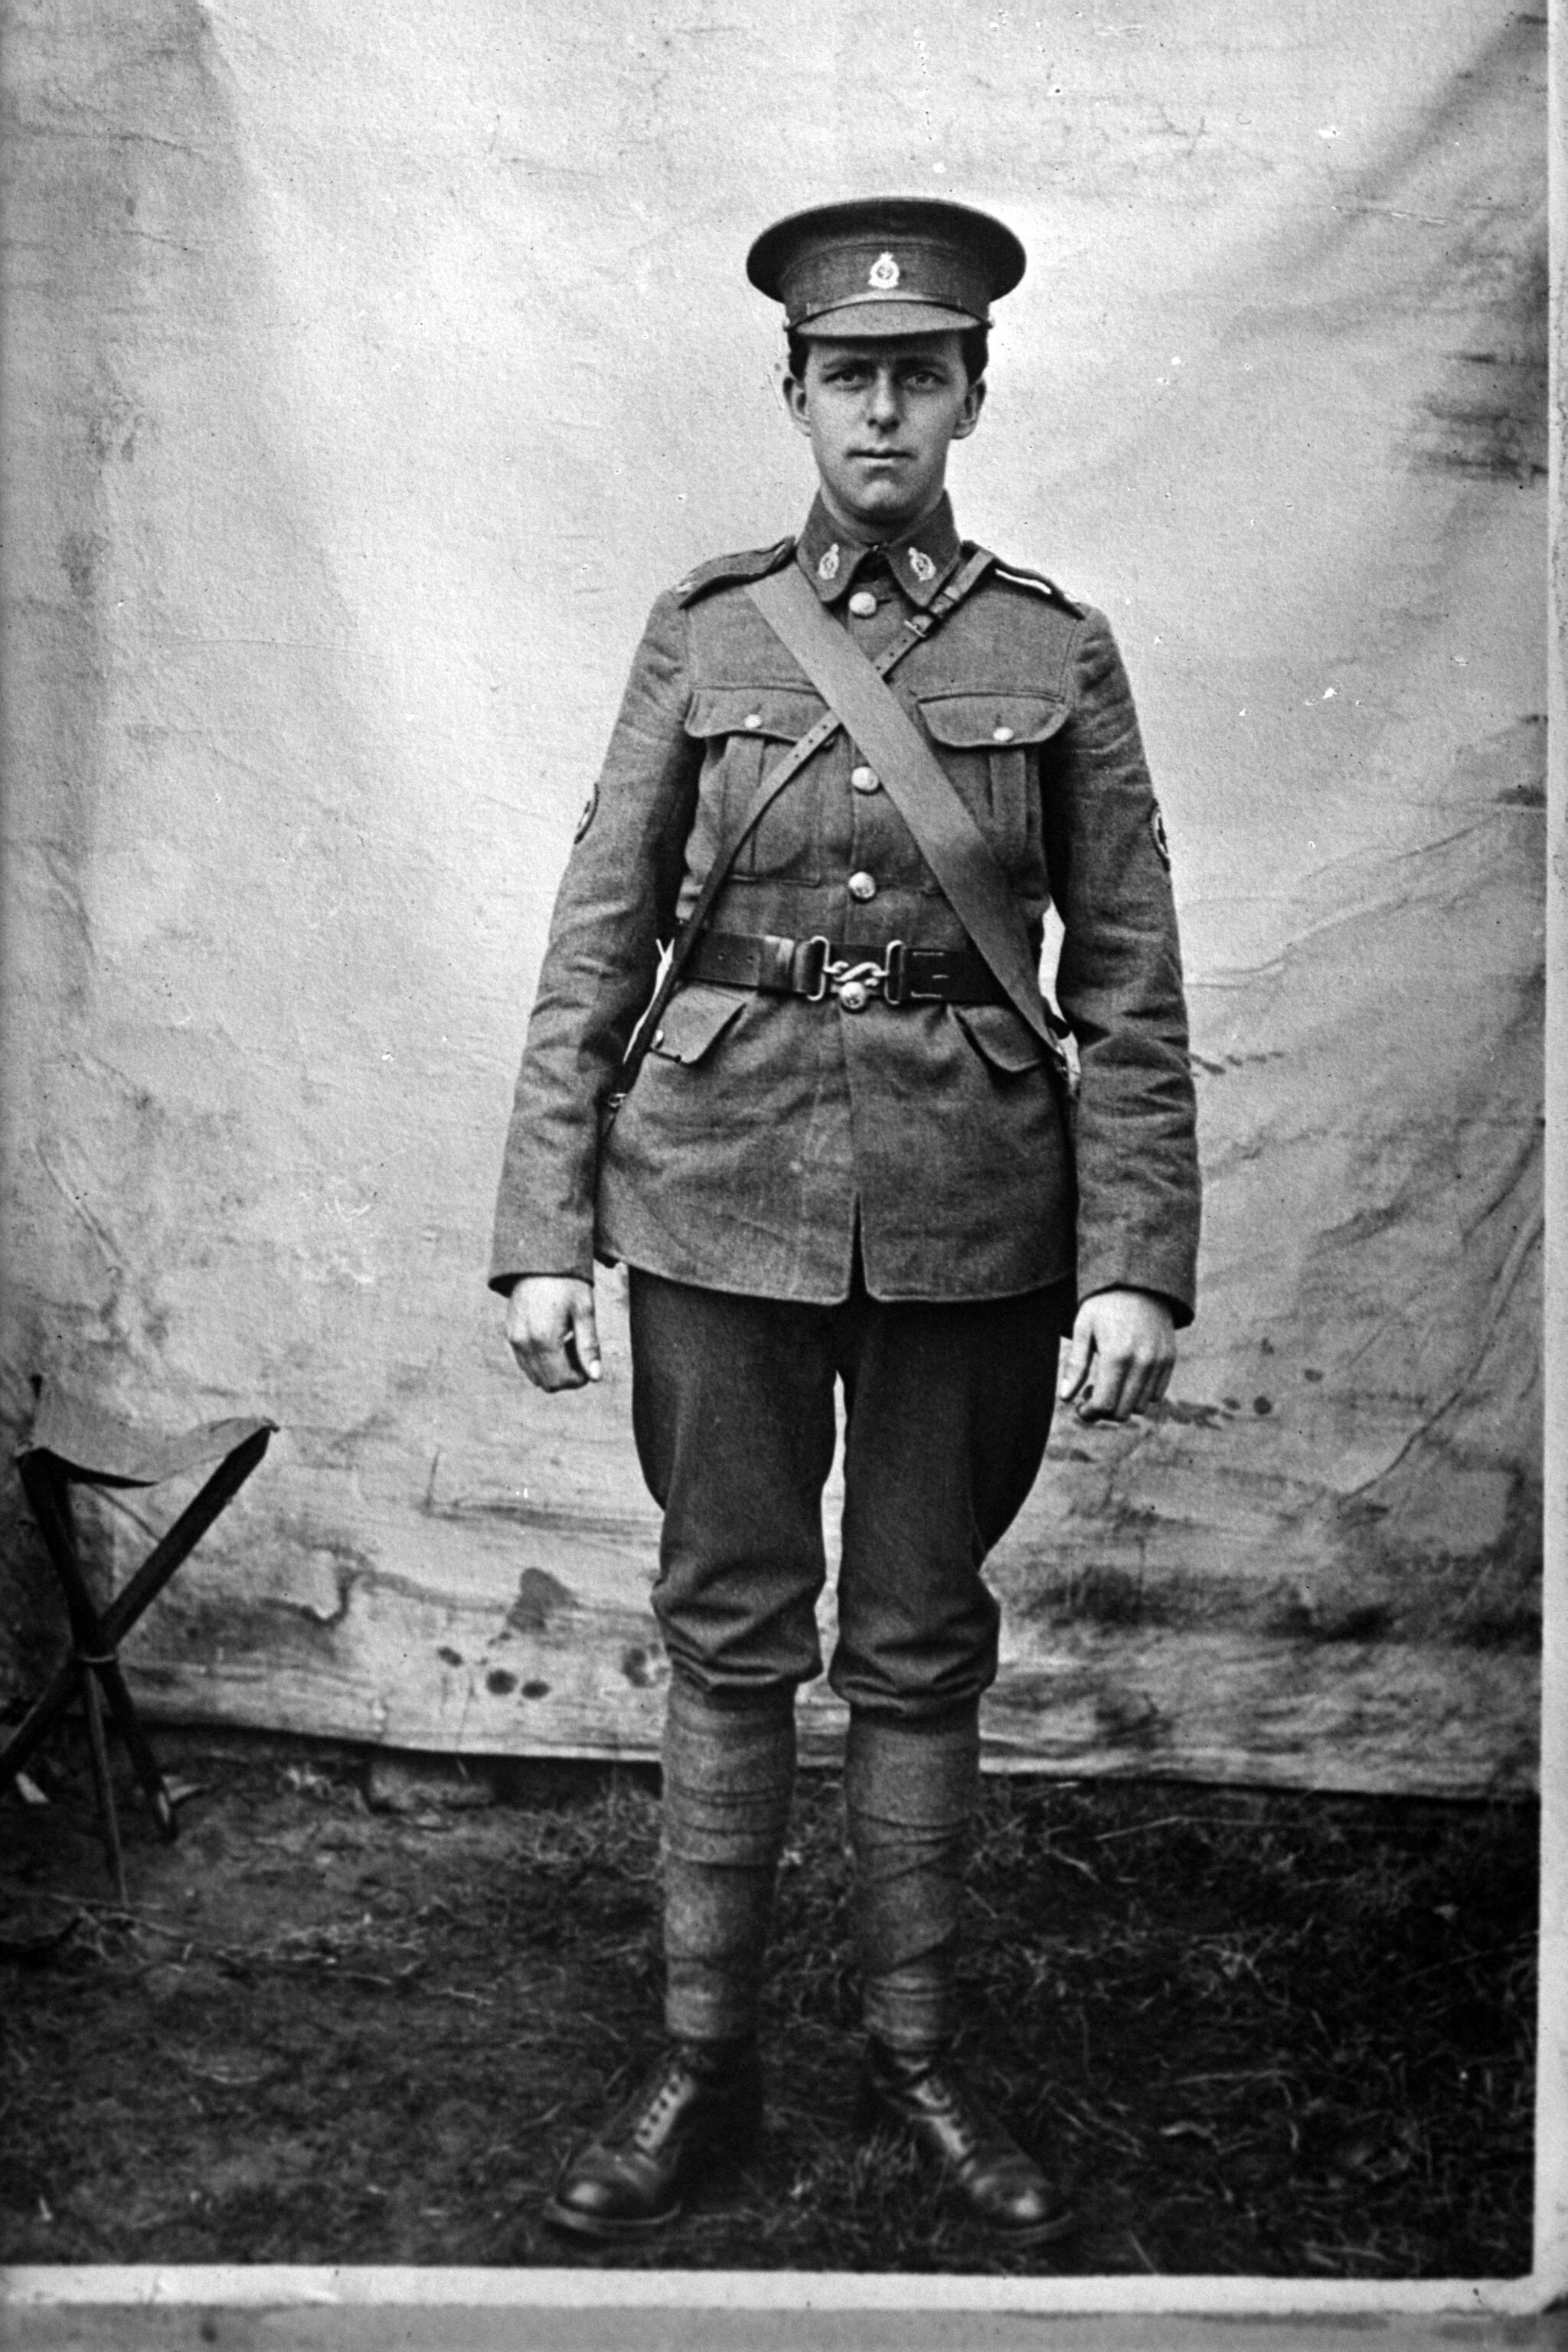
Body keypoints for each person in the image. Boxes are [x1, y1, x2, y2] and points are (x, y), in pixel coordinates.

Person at [490, 197, 1200, 2245]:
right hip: (713, 1195)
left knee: (916, 1643)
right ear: (793, 395)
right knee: (725, 1624)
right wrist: (547, 1219)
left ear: (975, 392)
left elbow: (1134, 977)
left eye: (919, 372)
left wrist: (1140, 1255)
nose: (881, 407)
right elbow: (594, 941)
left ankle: (923, 2057)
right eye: (845, 374)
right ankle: (700, 2063)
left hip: (976, 1212)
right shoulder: (709, 631)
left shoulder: (1053, 649)